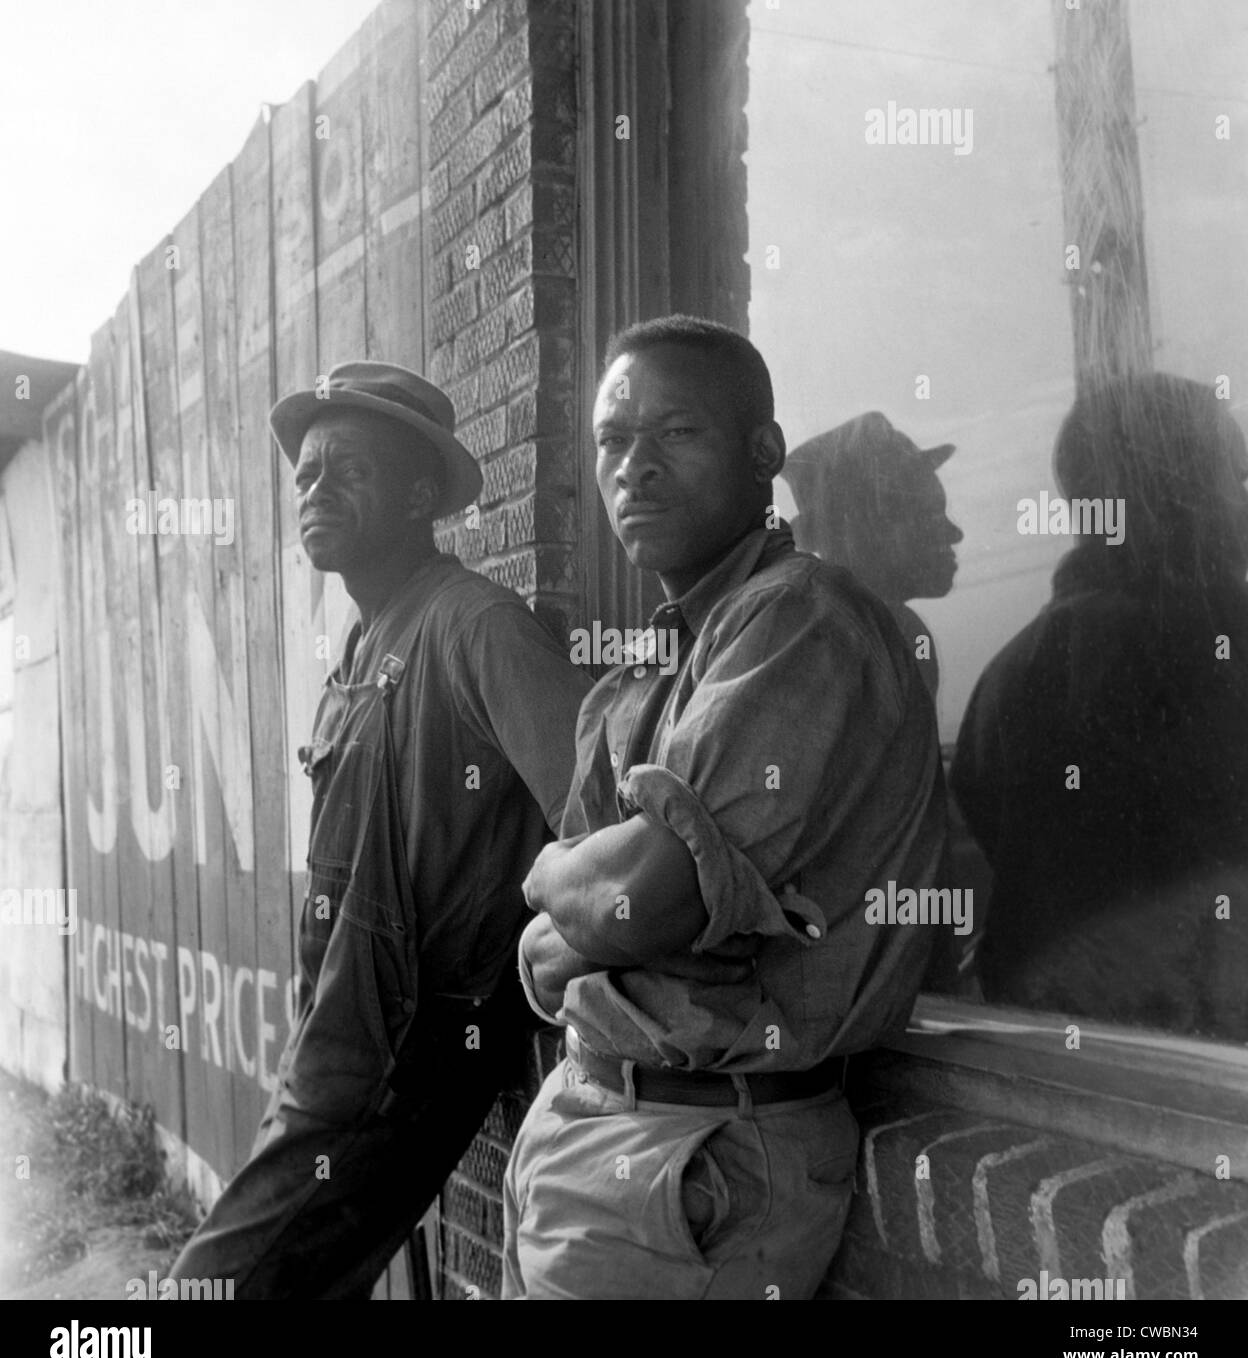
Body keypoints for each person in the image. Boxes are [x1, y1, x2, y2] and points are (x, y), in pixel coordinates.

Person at [502, 316, 948, 1300]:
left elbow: (636, 901)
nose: (636, 468)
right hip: (588, 1125)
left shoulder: (800, 617)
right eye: (614, 441)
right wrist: (596, 903)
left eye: (677, 433)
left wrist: (550, 876)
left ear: (764, 455)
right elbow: (548, 950)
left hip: (696, 1154)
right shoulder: (636, 674)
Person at [169, 361, 591, 1297]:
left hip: (401, 1069)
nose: (316, 489)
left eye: (348, 469)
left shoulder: (477, 626)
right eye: (307, 473)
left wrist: (543, 987)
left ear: (416, 496)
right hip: (334, 1049)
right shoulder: (363, 645)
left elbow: (599, 837)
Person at [951, 374, 1248, 1038]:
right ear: (1183, 497)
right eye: (1239, 478)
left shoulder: (1007, 675)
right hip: (1212, 1071)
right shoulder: (1221, 638)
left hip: (1056, 1054)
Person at [784, 411, 963, 701]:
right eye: (927, 516)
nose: (954, 533)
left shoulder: (881, 631)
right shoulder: (879, 638)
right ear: (861, 529)